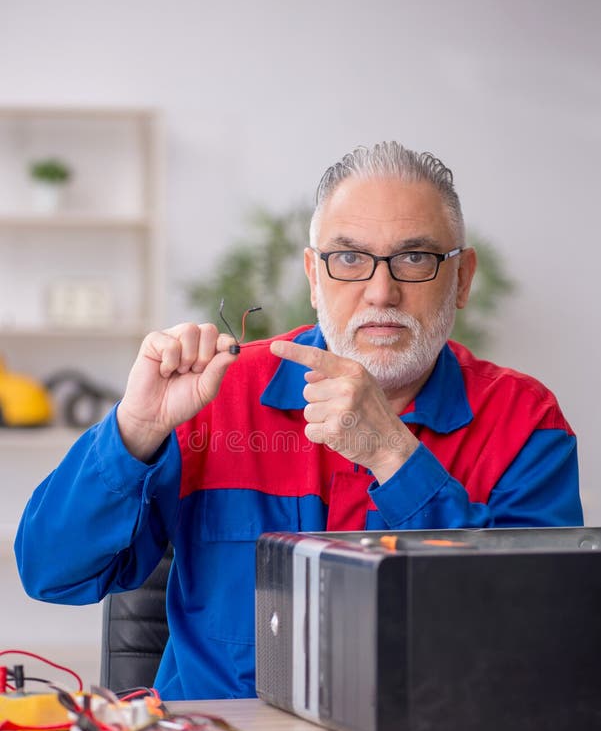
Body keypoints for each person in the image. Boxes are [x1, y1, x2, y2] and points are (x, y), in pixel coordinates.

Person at [15, 142, 583, 700]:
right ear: (314, 276)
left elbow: (539, 648)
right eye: (349, 258)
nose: (380, 292)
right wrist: (135, 428)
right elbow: (52, 572)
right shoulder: (219, 393)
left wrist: (396, 459)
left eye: (415, 257)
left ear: (461, 279)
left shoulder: (527, 424)